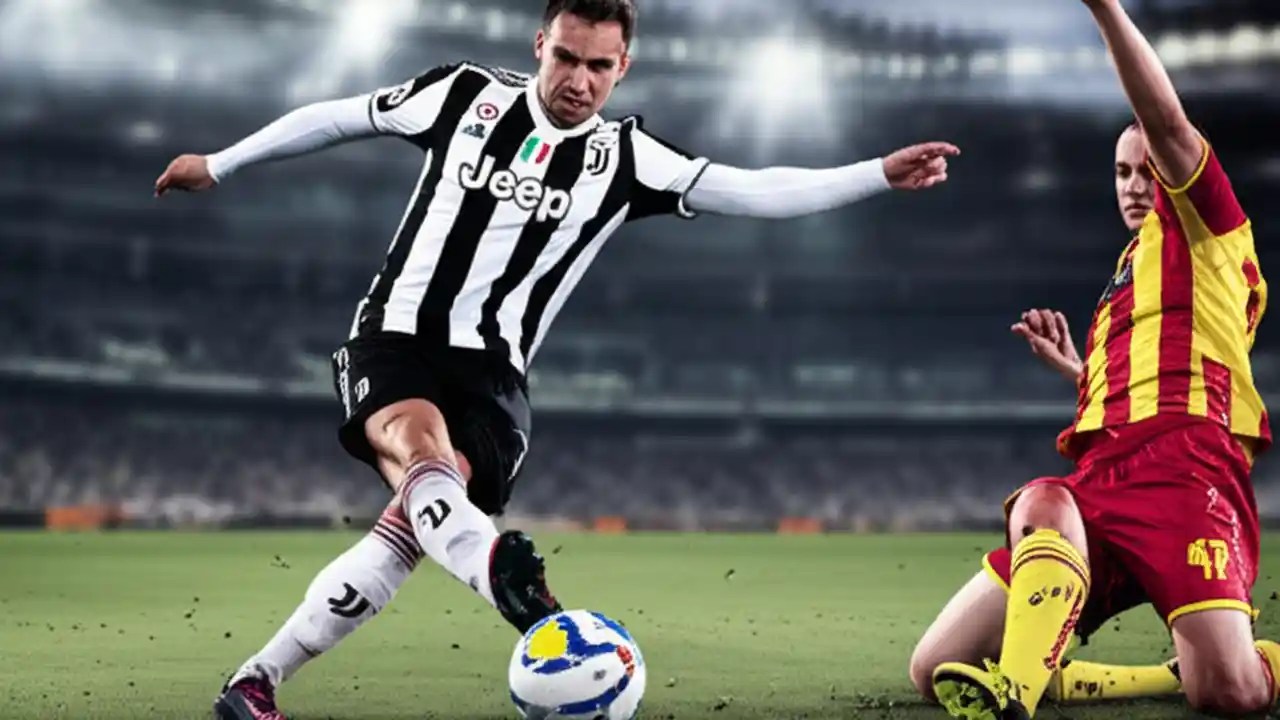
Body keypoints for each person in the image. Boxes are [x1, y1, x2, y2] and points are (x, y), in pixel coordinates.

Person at [154, 1, 958, 717]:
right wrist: (220, 163)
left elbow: (753, 190)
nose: (579, 80)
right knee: (423, 456)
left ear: (623, 67)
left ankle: (255, 683)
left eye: (598, 66)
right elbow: (340, 117)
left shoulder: (628, 158)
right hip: (396, 337)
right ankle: (507, 584)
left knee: (414, 521)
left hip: (495, 379)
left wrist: (876, 175)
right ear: (540, 44)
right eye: (566, 57)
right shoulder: (465, 95)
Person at [907, 1, 1276, 718]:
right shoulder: (1127, 279)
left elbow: (1169, 124)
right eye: (1120, 172)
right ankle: (1026, 688)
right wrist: (1082, 374)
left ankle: (1198, 670)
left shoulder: (1208, 224)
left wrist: (1103, 8)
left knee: (1229, 694)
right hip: (1104, 477)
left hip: (1186, 471)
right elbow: (1150, 379)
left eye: (1148, 169)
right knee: (937, 663)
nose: (1135, 184)